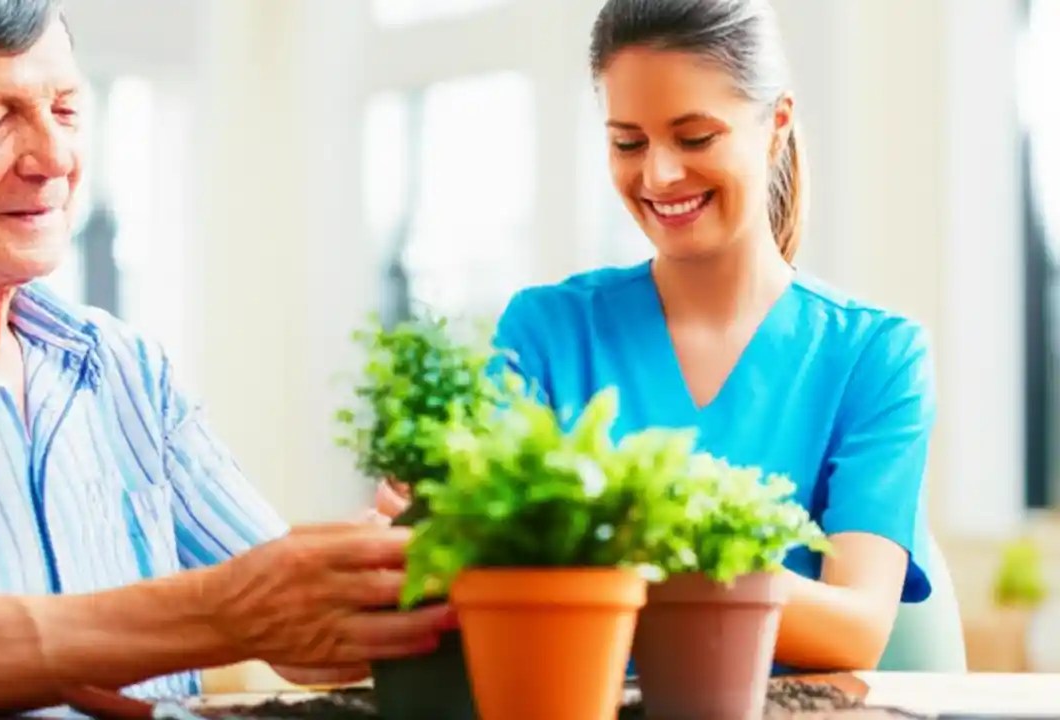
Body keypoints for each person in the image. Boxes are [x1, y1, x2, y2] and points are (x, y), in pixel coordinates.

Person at [0, 1, 452, 716]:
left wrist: (401, 569)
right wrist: (218, 611)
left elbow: (291, 627)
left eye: (66, 111)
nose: (54, 159)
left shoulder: (124, 369)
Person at [379, 0, 939, 673]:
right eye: (628, 142)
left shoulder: (874, 357)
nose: (658, 175)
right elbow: (481, 581)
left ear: (776, 125)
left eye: (695, 137)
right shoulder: (547, 332)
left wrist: (614, 550)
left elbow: (852, 629)